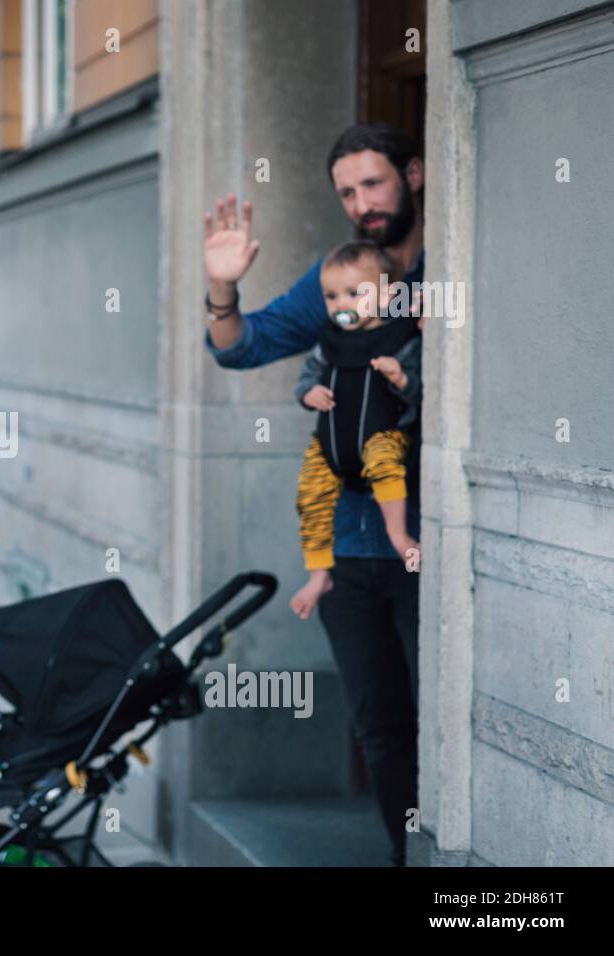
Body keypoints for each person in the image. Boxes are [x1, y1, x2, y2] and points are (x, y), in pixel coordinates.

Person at [201, 123, 424, 866]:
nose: (363, 202)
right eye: (348, 192)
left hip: (437, 542)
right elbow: (241, 346)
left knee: (447, 720)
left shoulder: (449, 276)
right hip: (355, 547)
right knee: (382, 725)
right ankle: (409, 859)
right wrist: (223, 287)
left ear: (414, 175)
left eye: (375, 183)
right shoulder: (334, 283)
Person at [290, 239, 422, 620]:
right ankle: (319, 574)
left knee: (385, 464)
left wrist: (401, 378)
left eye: (353, 293)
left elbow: (422, 391)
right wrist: (308, 394)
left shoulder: (401, 339)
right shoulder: (328, 342)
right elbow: (306, 378)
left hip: (383, 435)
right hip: (331, 443)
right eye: (331, 297)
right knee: (311, 490)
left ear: (387, 295)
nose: (341, 305)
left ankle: (399, 537)